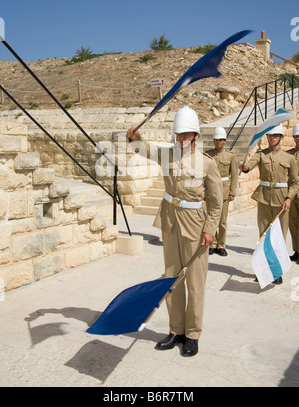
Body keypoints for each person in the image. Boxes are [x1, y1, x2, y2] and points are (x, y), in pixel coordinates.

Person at [127, 106, 223, 356]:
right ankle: (176, 331)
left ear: (196, 136)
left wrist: (210, 229)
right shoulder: (168, 154)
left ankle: (192, 334)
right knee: (172, 280)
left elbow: (216, 201)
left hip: (196, 227)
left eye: (187, 134)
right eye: (179, 134)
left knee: (195, 284)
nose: (182, 139)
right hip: (170, 223)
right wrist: (135, 139)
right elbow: (145, 149)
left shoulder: (207, 164)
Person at [239, 123, 298, 283]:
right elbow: (249, 165)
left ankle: (276, 272)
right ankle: (263, 271)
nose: (271, 138)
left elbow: (294, 183)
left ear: (280, 137)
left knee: (279, 237)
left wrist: (289, 198)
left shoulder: (289, 158)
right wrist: (244, 167)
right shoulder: (261, 154)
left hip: (281, 201)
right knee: (264, 236)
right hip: (264, 199)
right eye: (269, 136)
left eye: (274, 136)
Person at [206, 126, 238, 256]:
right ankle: (212, 244)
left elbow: (234, 175)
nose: (218, 142)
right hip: (211, 190)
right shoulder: (208, 155)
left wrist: (232, 192)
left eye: (221, 140)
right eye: (216, 140)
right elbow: (204, 174)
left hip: (224, 191)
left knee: (222, 221)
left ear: (224, 141)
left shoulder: (230, 156)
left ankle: (221, 245)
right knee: (211, 218)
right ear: (213, 140)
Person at [287, 123, 299, 264]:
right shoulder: (289, 154)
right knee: (293, 223)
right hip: (292, 192)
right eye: (296, 137)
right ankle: (297, 250)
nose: (298, 139)